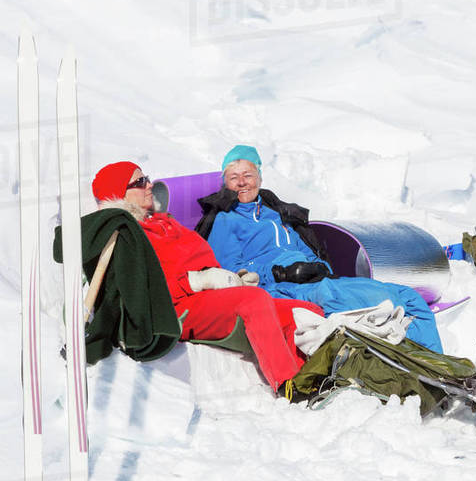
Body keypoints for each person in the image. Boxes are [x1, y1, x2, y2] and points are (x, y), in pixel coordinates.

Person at [91, 160, 323, 392]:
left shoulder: (165, 223)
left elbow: (204, 263)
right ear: (119, 193)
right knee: (255, 301)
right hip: (177, 309)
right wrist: (199, 281)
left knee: (304, 310)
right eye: (140, 182)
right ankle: (287, 383)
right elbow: (139, 291)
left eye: (147, 178)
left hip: (208, 299)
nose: (150, 185)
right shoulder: (125, 236)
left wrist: (235, 279)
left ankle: (306, 374)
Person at [196, 145, 444, 353]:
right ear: (225, 183)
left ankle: (438, 365)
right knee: (360, 301)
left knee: (409, 297)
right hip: (279, 289)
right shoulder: (225, 220)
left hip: (317, 280)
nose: (242, 182)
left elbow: (311, 253)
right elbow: (232, 273)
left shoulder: (277, 214)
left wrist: (315, 267)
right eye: (233, 177)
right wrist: (281, 272)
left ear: (259, 177)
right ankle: (406, 363)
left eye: (248, 175)